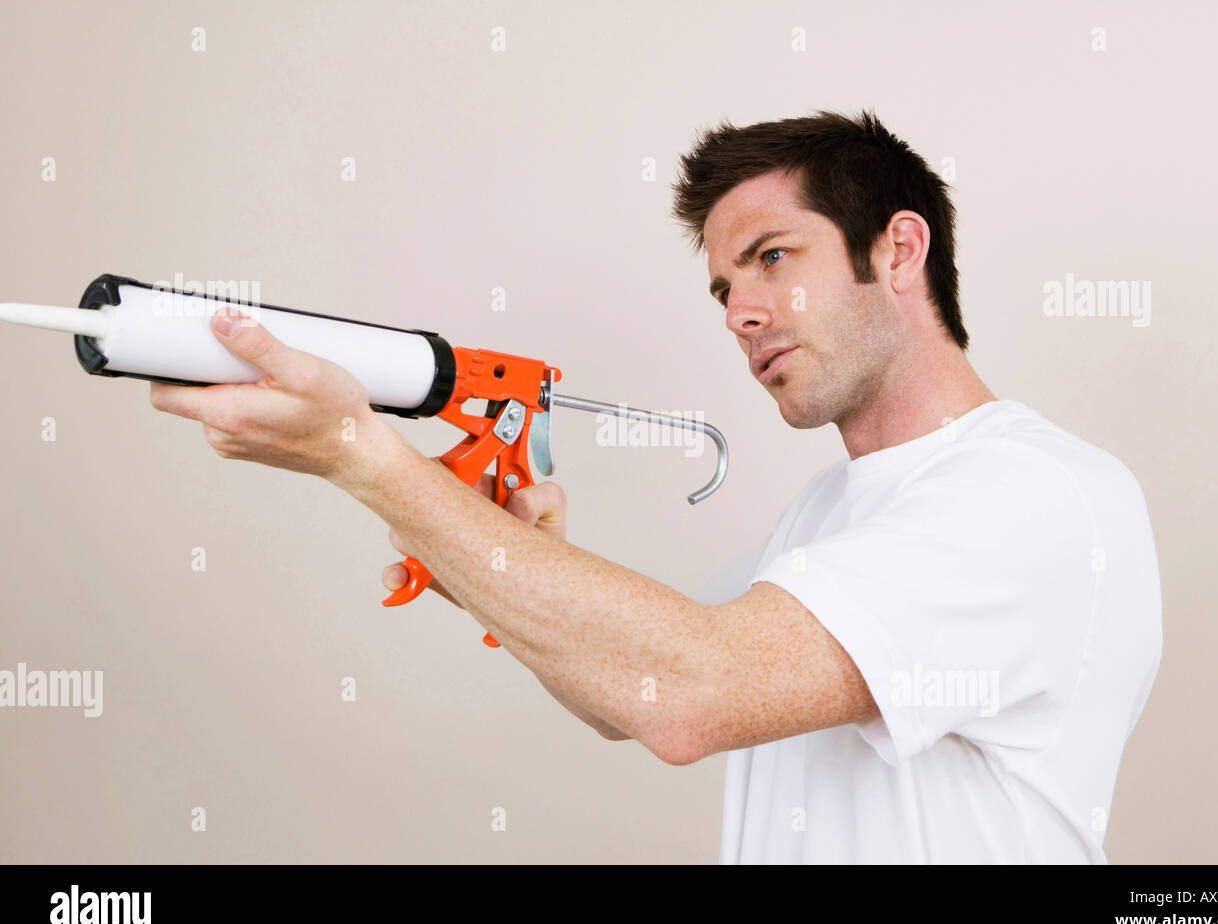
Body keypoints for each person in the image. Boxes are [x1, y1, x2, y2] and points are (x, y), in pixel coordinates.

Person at [151, 109, 1163, 865]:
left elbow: (691, 693)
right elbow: (624, 693)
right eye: (725, 287)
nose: (739, 312)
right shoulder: (827, 517)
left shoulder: (1035, 494)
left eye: (773, 258)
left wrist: (366, 460)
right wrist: (506, 558)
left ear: (898, 248)